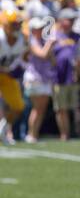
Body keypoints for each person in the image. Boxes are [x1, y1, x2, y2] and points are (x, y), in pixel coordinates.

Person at [22, 13, 55, 140]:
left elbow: (52, 60)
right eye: (38, 28)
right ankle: (31, 134)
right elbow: (42, 54)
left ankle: (34, 134)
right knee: (37, 108)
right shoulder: (32, 41)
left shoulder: (42, 41)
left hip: (44, 77)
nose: (40, 30)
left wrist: (49, 46)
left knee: (41, 109)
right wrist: (50, 44)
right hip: (35, 78)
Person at [49, 7, 80, 139]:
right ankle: (64, 134)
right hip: (59, 77)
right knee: (61, 108)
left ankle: (79, 133)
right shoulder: (54, 36)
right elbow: (49, 57)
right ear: (61, 21)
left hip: (74, 77)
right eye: (69, 19)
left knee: (77, 108)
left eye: (73, 19)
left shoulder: (78, 36)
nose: (72, 22)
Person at [0, 8, 27, 145]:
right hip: (4, 71)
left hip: (7, 75)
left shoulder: (22, 38)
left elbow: (25, 57)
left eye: (18, 24)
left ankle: (3, 127)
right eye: (13, 24)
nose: (17, 27)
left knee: (18, 107)